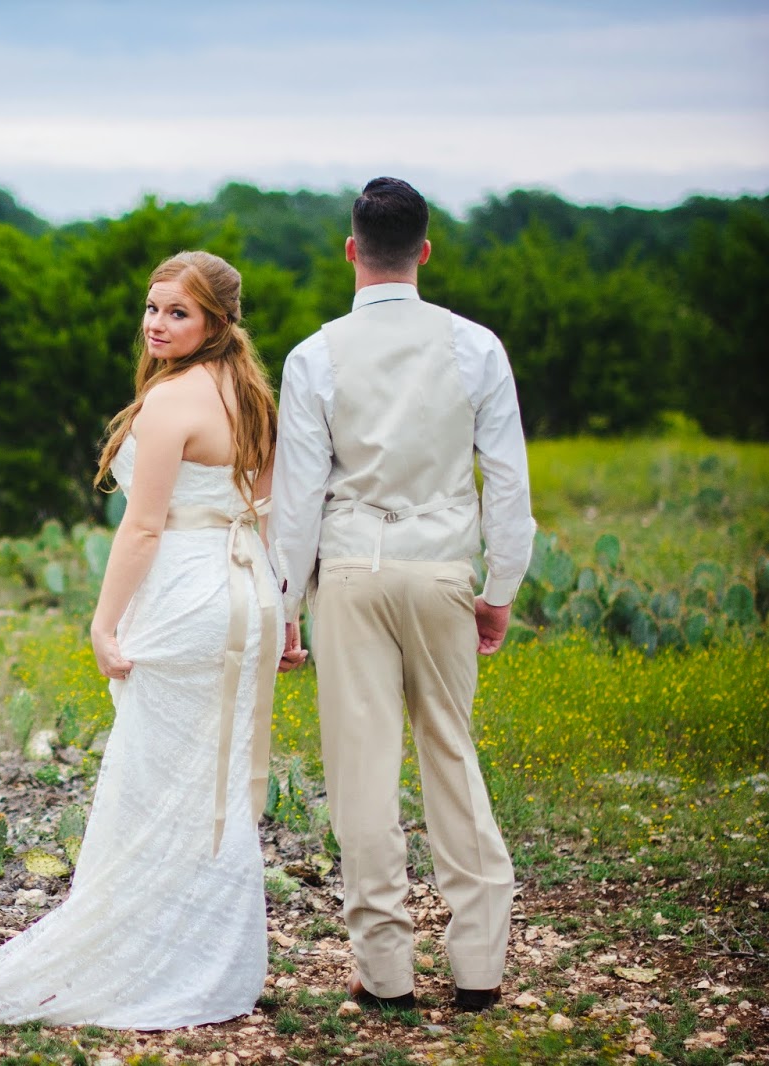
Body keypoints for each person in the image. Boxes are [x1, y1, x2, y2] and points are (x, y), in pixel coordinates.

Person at [0, 250, 282, 1029]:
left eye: (178, 312)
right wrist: (288, 612)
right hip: (245, 598)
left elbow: (142, 527)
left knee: (158, 779)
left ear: (215, 321)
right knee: (214, 782)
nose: (157, 323)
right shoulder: (249, 392)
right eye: (152, 308)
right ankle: (210, 957)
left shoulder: (172, 401)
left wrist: (103, 620)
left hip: (188, 593)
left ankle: (155, 956)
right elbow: (268, 508)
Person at [267, 177, 535, 1013]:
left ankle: (384, 974)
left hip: (350, 573)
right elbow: (510, 483)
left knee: (363, 772)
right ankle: (480, 966)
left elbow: (297, 501)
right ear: (425, 249)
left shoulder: (315, 355)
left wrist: (283, 610)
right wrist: (500, 587)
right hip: (445, 569)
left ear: (351, 250)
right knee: (450, 753)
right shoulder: (477, 347)